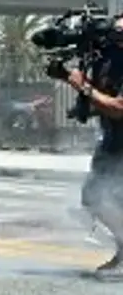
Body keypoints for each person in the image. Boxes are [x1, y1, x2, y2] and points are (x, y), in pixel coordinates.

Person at [50, 17, 123, 275]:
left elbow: (119, 108)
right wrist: (67, 78)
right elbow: (102, 96)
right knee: (94, 197)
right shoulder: (109, 58)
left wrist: (81, 86)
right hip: (113, 142)